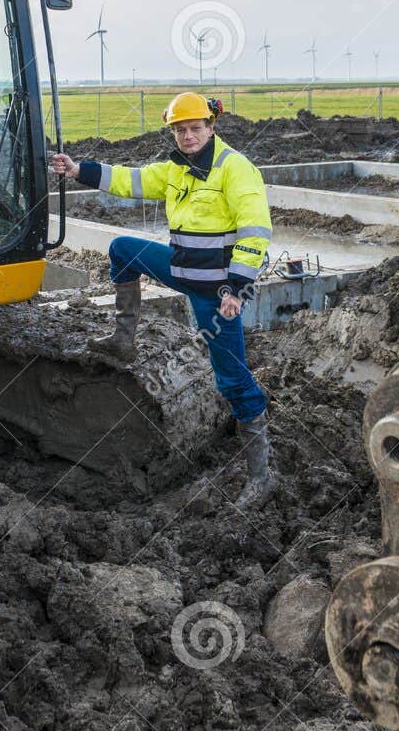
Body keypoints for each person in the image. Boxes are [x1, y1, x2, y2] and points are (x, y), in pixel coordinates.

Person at [51, 92, 272, 494]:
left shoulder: (235, 169)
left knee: (232, 381)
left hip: (215, 293)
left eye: (194, 129)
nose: (187, 137)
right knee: (122, 250)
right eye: (179, 130)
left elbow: (255, 231)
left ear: (211, 127)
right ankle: (122, 339)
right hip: (179, 269)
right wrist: (77, 169)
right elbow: (129, 180)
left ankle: (261, 476)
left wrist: (237, 288)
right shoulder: (176, 169)